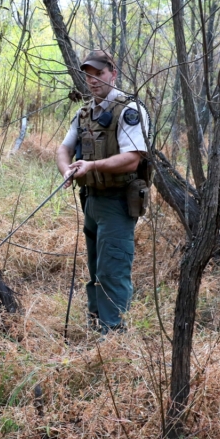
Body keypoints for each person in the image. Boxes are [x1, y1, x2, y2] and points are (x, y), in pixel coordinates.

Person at [55, 50, 150, 334]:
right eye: (88, 74)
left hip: (118, 202)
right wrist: (66, 170)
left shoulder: (129, 110)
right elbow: (64, 149)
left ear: (113, 73)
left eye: (99, 73)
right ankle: (97, 325)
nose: (93, 80)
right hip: (91, 201)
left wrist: (92, 164)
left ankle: (113, 335)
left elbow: (133, 158)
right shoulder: (85, 112)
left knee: (113, 270)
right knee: (96, 270)